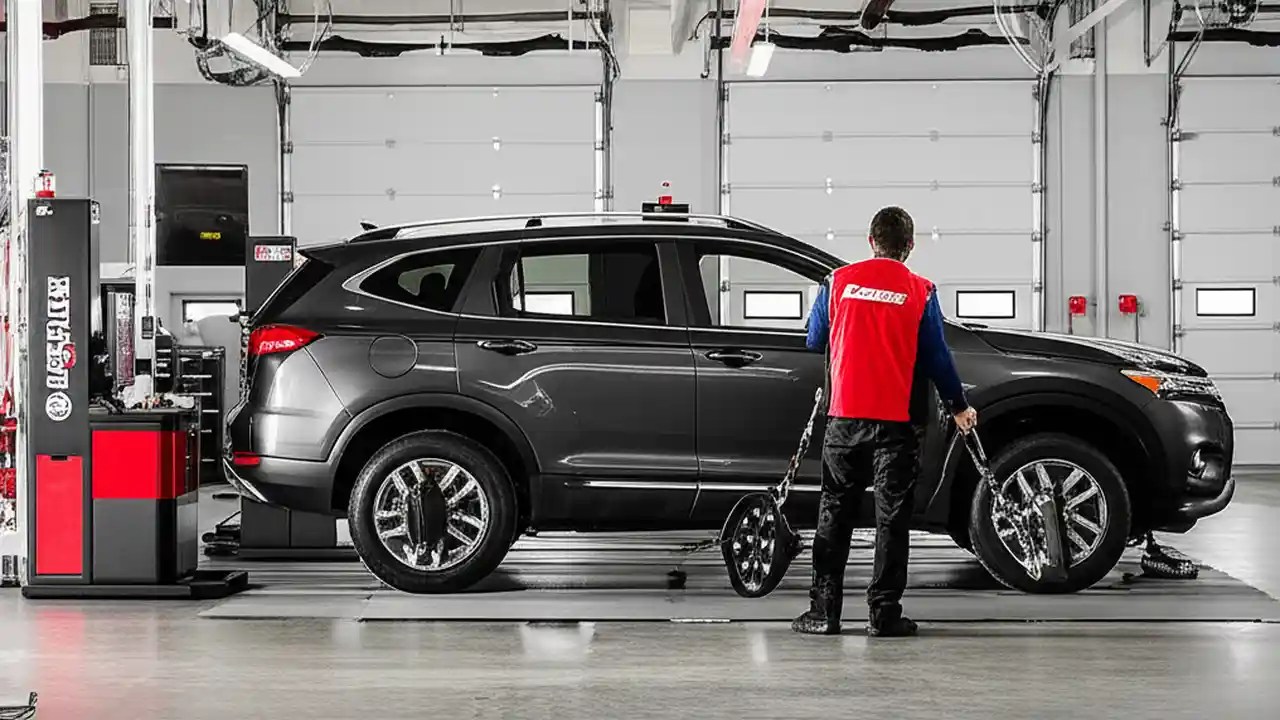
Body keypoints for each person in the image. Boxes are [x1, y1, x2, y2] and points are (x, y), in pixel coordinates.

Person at [794, 206, 977, 638]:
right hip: (897, 424)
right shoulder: (920, 290)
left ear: (871, 241)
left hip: (844, 419)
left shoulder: (836, 283)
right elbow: (937, 357)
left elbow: (813, 338)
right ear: (909, 247)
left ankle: (824, 611)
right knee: (891, 519)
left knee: (834, 510)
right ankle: (884, 614)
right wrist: (958, 406)